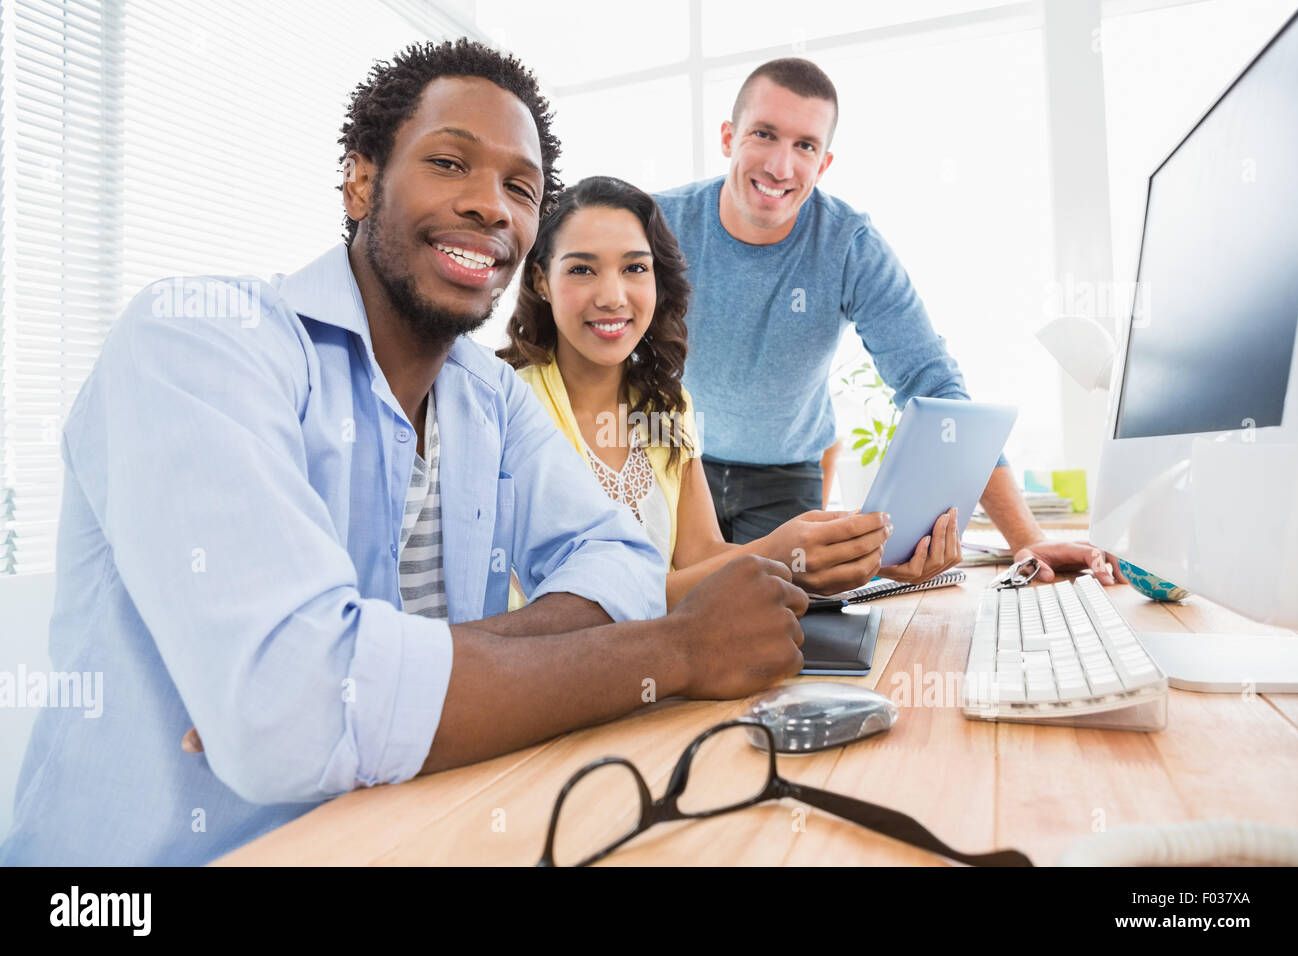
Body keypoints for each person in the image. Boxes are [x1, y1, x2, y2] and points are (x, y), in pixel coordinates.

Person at [0, 40, 809, 867]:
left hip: (418, 831)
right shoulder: (197, 343)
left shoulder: (493, 399)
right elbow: (292, 720)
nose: (491, 207)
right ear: (360, 179)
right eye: (450, 162)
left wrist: (375, 673)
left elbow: (626, 565)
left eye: (519, 189)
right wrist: (675, 650)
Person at [653, 57, 1123, 587]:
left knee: (786, 615)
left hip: (785, 479)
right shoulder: (659, 225)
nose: (782, 167)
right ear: (727, 137)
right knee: (667, 607)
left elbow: (932, 383)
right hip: (671, 463)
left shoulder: (848, 244)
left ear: (824, 162)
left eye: (805, 145)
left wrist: (1026, 539)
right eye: (764, 134)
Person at [498, 175, 892, 608]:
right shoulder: (510, 409)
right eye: (581, 269)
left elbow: (700, 556)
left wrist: (847, 551)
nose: (612, 296)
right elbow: (565, 607)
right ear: (540, 280)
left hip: (669, 659)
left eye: (634, 268)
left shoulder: (666, 405)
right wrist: (777, 552)